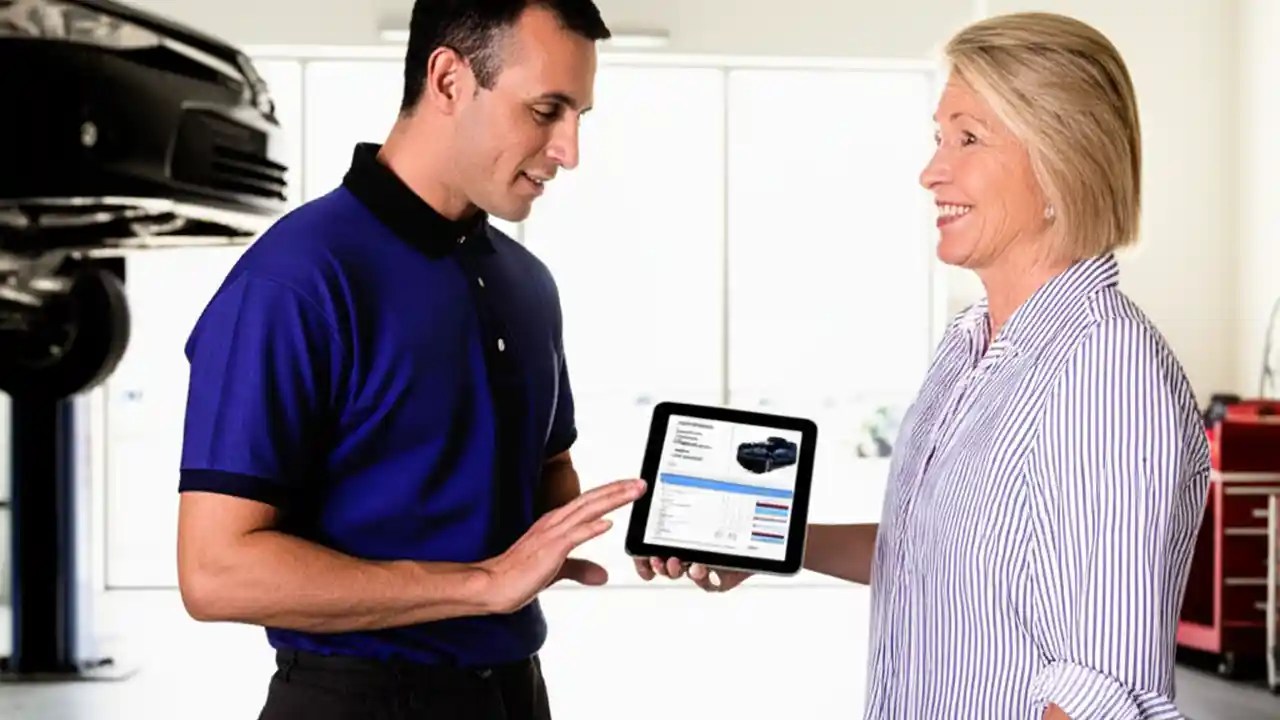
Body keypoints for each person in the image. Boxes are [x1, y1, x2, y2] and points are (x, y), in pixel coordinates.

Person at [636, 12, 1210, 720]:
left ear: (1065, 155)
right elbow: (927, 552)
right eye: (939, 137)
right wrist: (770, 544)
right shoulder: (970, 345)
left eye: (969, 138)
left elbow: (1099, 687)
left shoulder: (1106, 371)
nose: (932, 170)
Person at [175, 2, 645, 718]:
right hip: (356, 698)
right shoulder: (296, 278)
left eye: (579, 114)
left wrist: (648, 523)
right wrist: (483, 584)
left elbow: (547, 469)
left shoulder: (528, 285)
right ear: (450, 79)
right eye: (546, 110)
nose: (568, 149)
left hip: (516, 691)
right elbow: (216, 573)